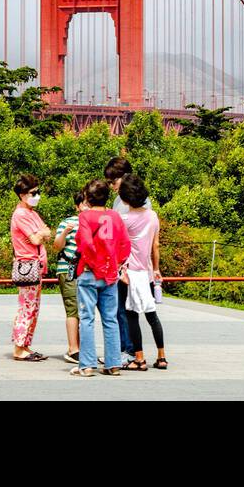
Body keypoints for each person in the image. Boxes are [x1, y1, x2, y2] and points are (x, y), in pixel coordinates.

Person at [71, 178, 131, 377]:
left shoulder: (85, 217)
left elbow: (86, 244)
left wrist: (95, 266)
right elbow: (125, 245)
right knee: (110, 319)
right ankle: (113, 364)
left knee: (87, 319)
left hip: (89, 272)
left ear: (87, 198)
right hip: (110, 274)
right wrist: (114, 265)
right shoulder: (115, 216)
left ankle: (87, 365)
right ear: (107, 197)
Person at [118, 172, 167, 370]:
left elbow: (119, 247)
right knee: (152, 315)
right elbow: (155, 246)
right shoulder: (153, 216)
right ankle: (162, 356)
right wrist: (156, 269)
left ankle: (139, 358)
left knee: (131, 315)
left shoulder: (124, 220)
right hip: (147, 271)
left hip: (130, 273)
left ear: (125, 198)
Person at [104, 156, 149, 367]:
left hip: (130, 263)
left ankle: (130, 351)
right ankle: (125, 349)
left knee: (125, 310)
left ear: (123, 178)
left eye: (113, 182)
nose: (111, 186)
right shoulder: (118, 200)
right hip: (120, 261)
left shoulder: (137, 202)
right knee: (120, 308)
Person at [10, 173, 51, 361]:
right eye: (33, 193)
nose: (37, 196)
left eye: (37, 192)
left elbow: (47, 233)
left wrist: (41, 233)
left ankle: (25, 344)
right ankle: (19, 347)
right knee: (26, 307)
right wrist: (40, 233)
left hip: (36, 264)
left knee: (33, 308)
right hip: (27, 265)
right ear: (22, 194)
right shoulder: (20, 214)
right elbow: (36, 238)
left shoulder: (32, 213)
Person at [53, 190, 87, 363]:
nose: (88, 206)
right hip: (68, 269)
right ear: (77, 206)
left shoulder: (96, 221)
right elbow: (57, 246)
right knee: (73, 308)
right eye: (84, 203)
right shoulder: (67, 222)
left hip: (87, 271)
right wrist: (65, 233)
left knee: (84, 310)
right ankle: (73, 349)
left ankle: (81, 348)